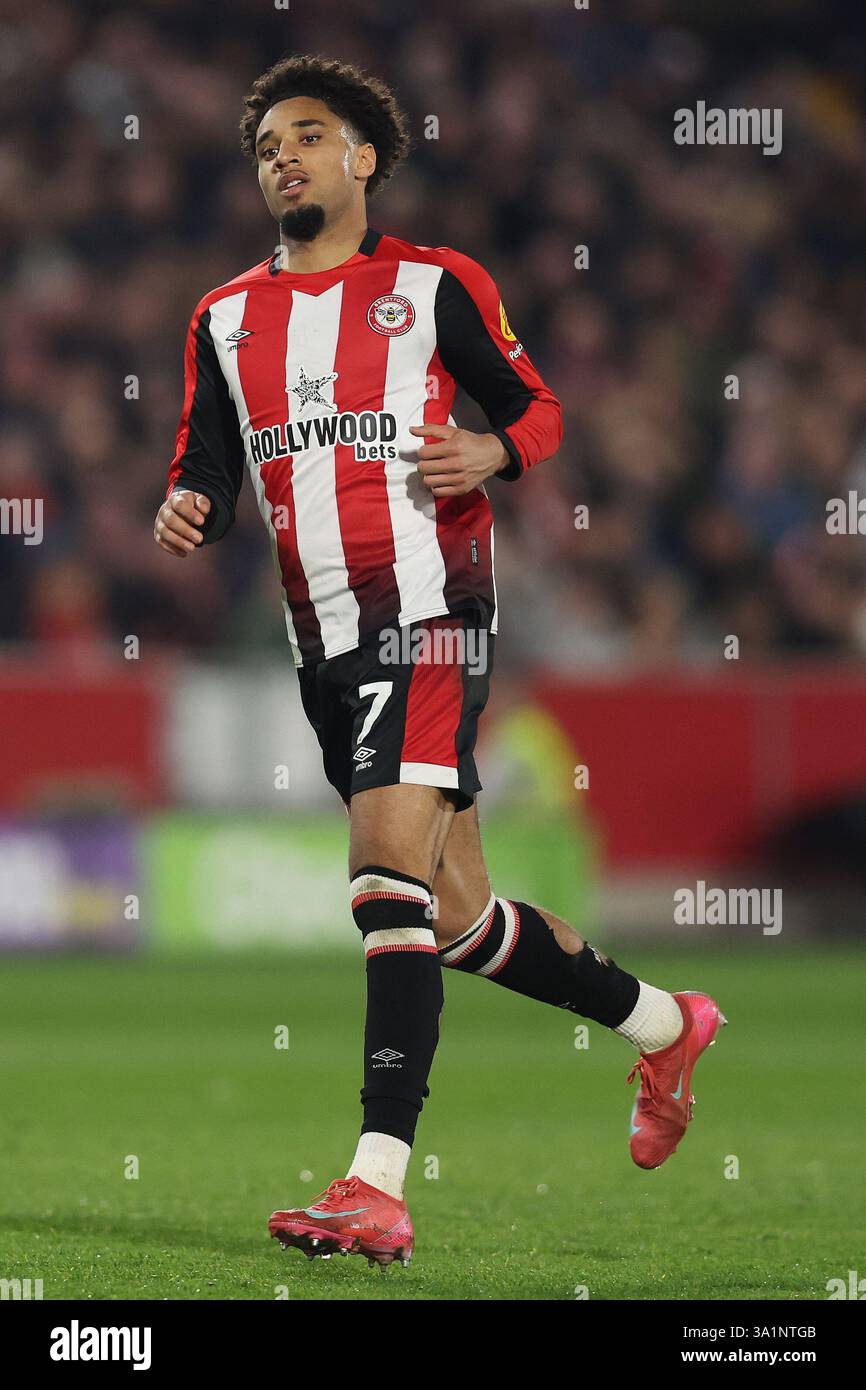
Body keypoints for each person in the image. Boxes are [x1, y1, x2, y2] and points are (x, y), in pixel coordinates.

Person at [154, 55, 725, 1270]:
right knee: (454, 918)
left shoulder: (432, 285)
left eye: (307, 137)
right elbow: (204, 455)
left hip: (426, 613)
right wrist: (186, 507)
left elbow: (537, 409)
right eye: (266, 146)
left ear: (361, 159)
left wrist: (492, 454)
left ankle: (374, 1182)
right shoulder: (220, 317)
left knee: (378, 877)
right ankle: (668, 1024)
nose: (283, 158)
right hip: (321, 636)